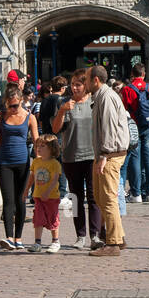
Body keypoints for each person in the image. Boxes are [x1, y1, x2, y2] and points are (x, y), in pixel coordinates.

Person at [0, 85, 37, 250]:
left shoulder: (30, 117)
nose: (13, 109)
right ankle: (9, 237)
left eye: (15, 105)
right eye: (9, 105)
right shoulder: (2, 117)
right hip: (5, 162)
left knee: (21, 200)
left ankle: (18, 238)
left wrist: (41, 162)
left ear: (21, 101)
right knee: (8, 200)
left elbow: (36, 141)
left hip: (23, 162)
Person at [54, 69, 99, 248]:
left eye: (78, 84)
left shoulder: (94, 103)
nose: (73, 88)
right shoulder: (66, 103)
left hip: (91, 155)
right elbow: (56, 129)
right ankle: (80, 236)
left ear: (86, 86)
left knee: (94, 197)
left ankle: (95, 235)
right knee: (75, 197)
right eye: (72, 84)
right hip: (71, 156)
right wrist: (61, 112)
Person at [88, 65, 130, 256]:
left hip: (110, 154)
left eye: (87, 79)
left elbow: (109, 129)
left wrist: (104, 155)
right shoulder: (101, 97)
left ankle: (112, 243)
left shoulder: (106, 97)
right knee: (99, 196)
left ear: (95, 80)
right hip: (106, 154)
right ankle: (118, 237)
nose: (85, 82)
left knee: (107, 198)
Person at [119, 63, 149, 202]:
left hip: (133, 125)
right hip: (147, 125)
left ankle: (136, 193)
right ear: (144, 74)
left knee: (135, 157)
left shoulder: (127, 89)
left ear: (132, 75)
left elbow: (124, 109)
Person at [25, 135, 67, 253]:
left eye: (42, 146)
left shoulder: (55, 164)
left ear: (51, 148)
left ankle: (55, 241)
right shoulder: (36, 162)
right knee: (38, 219)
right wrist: (26, 190)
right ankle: (37, 242)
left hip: (52, 197)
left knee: (53, 218)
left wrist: (48, 192)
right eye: (38, 146)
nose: (38, 148)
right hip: (38, 196)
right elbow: (32, 177)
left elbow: (54, 180)